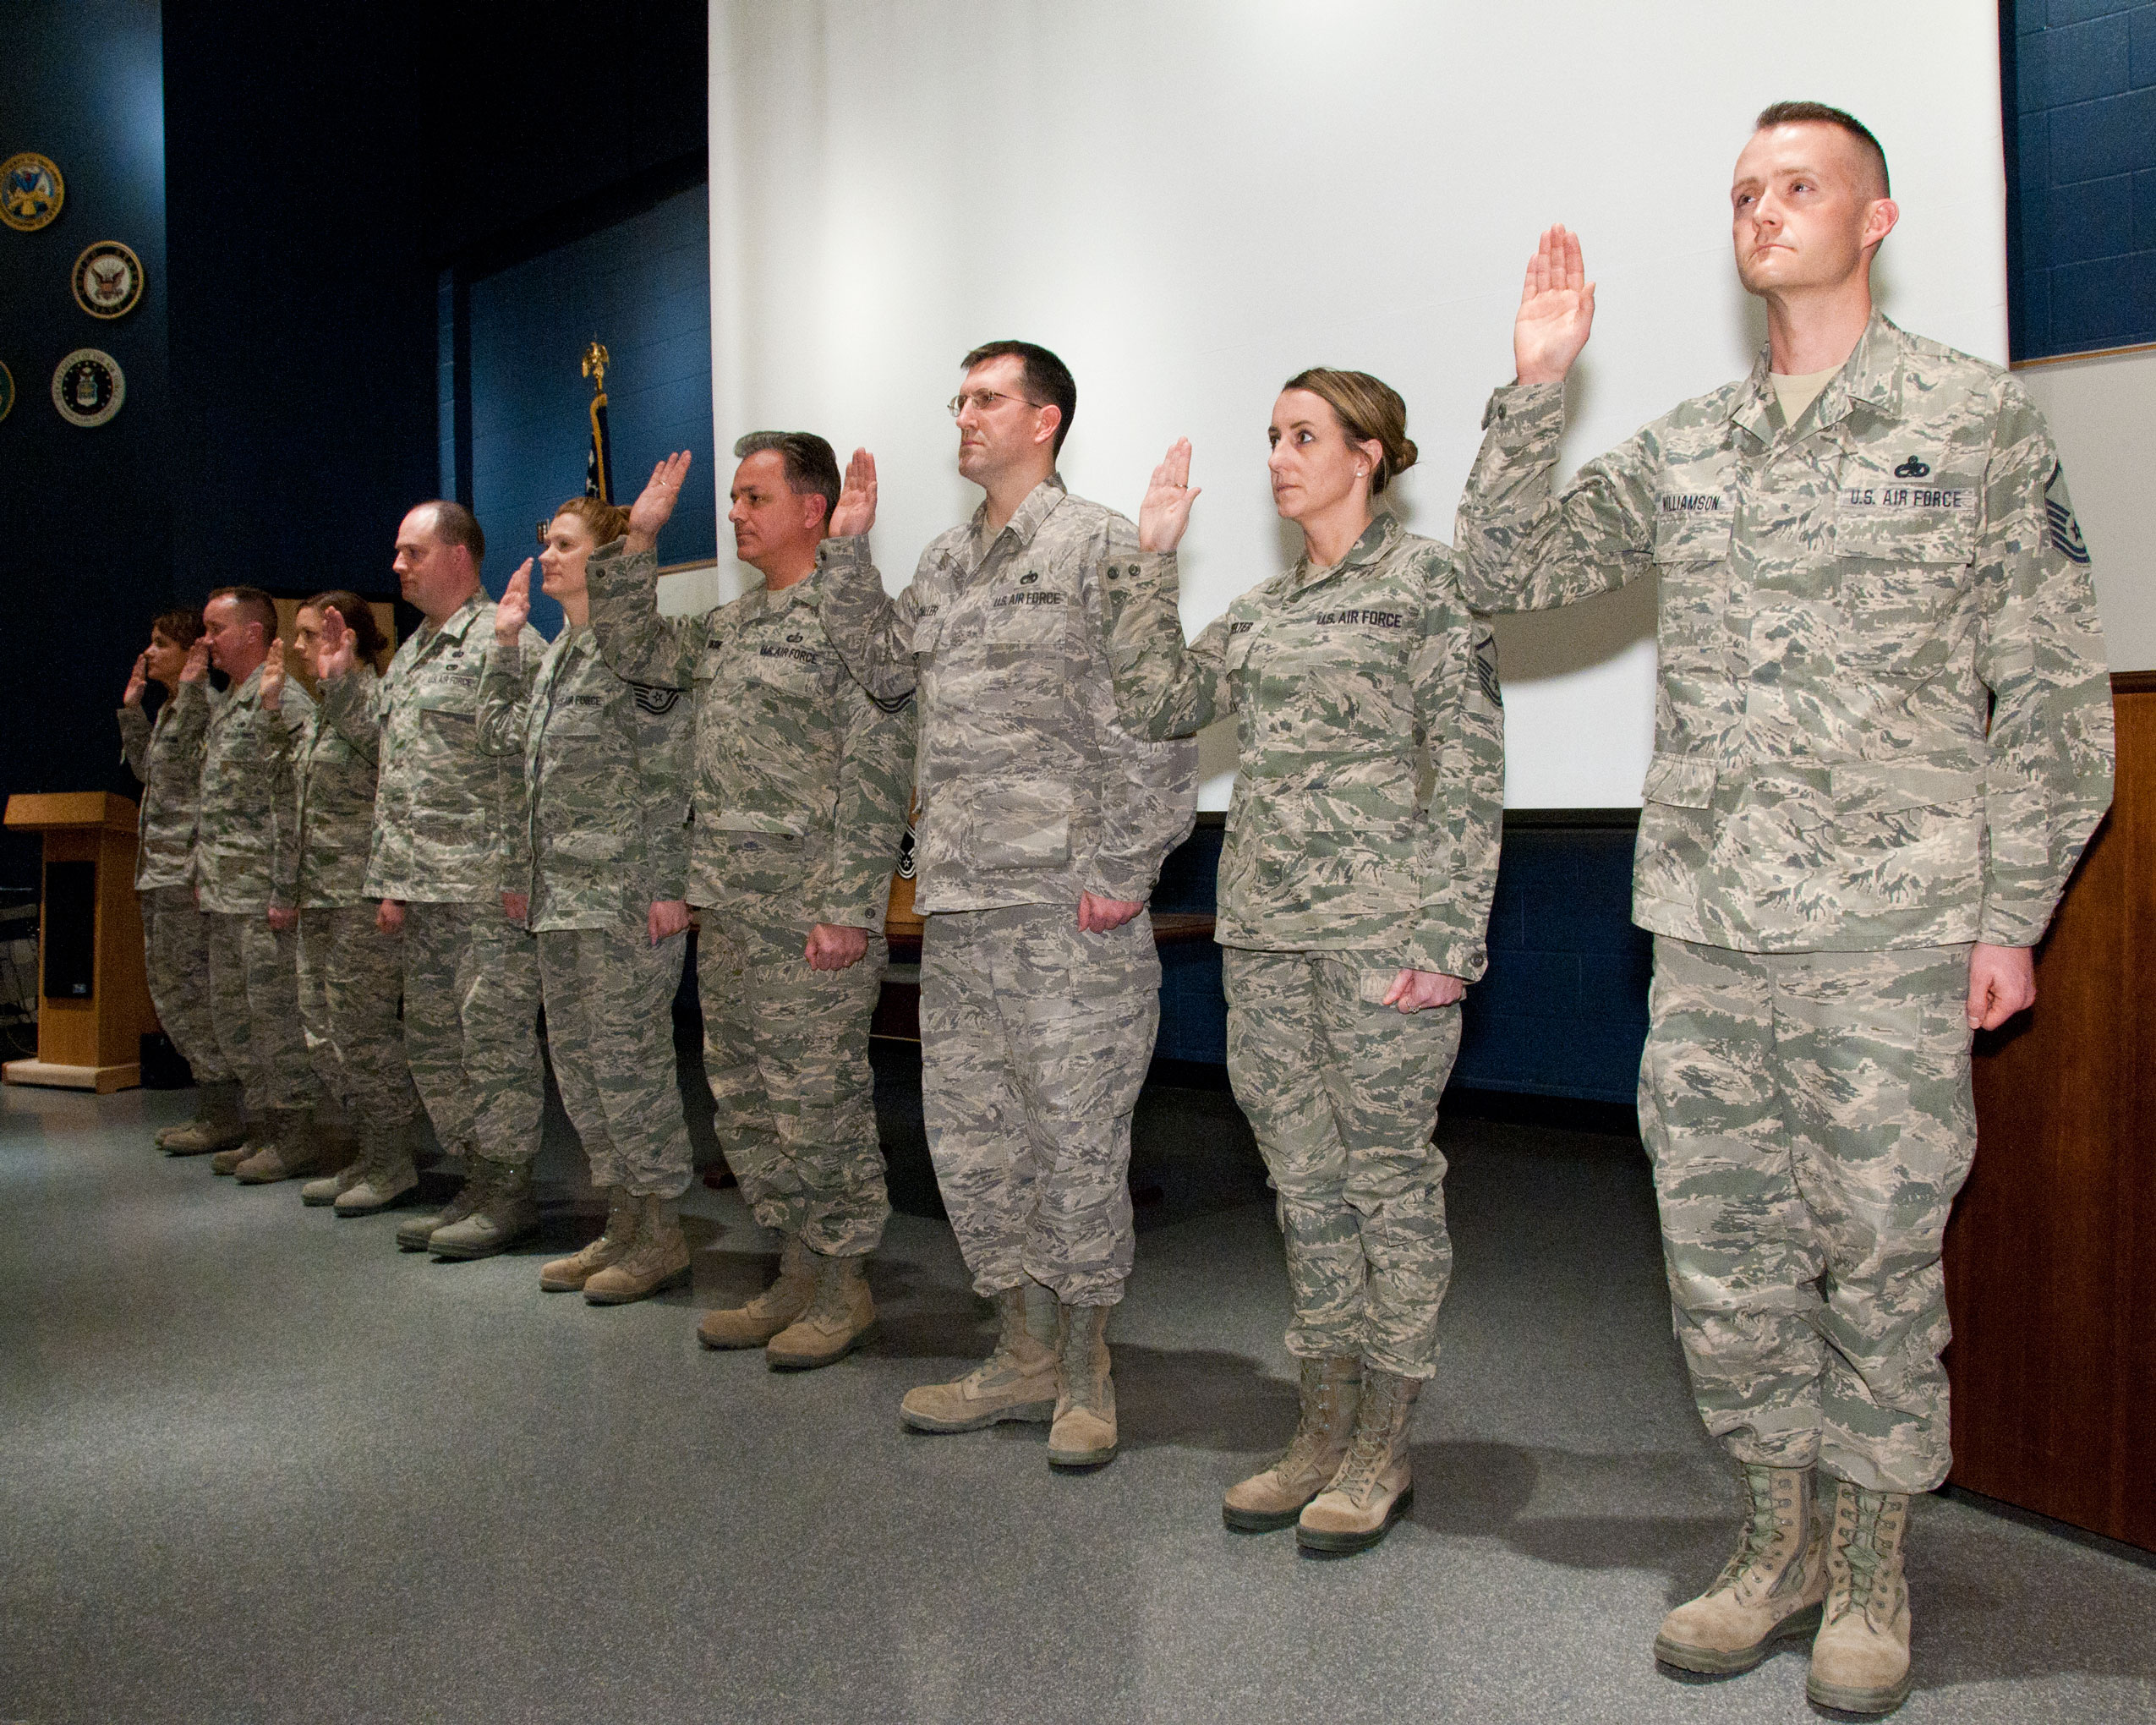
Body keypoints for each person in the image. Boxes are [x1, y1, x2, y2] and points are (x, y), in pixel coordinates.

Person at [1453, 103, 2115, 1714]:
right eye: (1744, 192)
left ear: (1876, 220)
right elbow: (1499, 574)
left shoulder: (1969, 421)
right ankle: (1777, 1543)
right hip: (1709, 931)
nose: (1763, 211)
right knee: (1727, 1261)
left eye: (1797, 186)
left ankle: (1876, 1562)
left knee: (1878, 1262)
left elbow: (2050, 695)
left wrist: (2009, 913)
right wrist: (1533, 392)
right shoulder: (1689, 446)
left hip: (1892, 931)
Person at [1108, 371, 1504, 1551]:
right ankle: (1318, 1424)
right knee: (1301, 1183)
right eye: (1271, 437)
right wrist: (1152, 565)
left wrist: (1446, 939)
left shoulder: (1429, 586)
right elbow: (1159, 701)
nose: (1278, 457)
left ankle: (1384, 1438)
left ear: (1369, 454)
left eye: (1302, 436)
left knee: (1385, 1180)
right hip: (1267, 937)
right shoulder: (1264, 607)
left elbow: (1470, 770)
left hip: (1384, 940)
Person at [816, 342, 1197, 1467]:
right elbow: (887, 672)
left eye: (986, 400)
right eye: (959, 400)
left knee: (1075, 1142)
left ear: (1044, 421)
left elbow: (1155, 719)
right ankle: (1018, 1352)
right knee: (977, 1144)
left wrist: (1125, 871)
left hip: (1065, 912)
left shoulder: (1099, 549)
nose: (964, 417)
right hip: (965, 904)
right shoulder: (944, 558)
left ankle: (1086, 1372)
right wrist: (845, 558)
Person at [586, 437, 913, 1365]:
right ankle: (794, 1273)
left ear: (814, 510)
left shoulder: (852, 622)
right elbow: (633, 648)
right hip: (729, 910)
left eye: (753, 496)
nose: (735, 513)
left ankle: (844, 1286)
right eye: (731, 498)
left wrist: (850, 905)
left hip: (810, 913)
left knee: (818, 1104)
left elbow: (879, 770)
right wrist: (638, 539)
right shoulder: (729, 627)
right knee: (747, 1107)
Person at [474, 497, 698, 1304]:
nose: (549, 557)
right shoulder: (561, 654)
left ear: (608, 559)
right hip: (562, 899)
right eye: (548, 542)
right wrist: (505, 649)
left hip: (624, 900)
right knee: (584, 1073)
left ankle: (662, 1234)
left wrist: (671, 887)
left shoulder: (637, 649)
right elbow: (511, 757)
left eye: (566, 544)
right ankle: (623, 1222)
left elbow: (673, 771)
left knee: (631, 1069)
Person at [316, 501, 548, 1260]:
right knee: (437, 1044)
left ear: (458, 556)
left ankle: (509, 1190)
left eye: (410, 552)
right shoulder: (416, 650)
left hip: (486, 888)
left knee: (493, 1043)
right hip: (424, 888)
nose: (396, 566)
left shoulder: (506, 641)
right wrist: (346, 683)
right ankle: (476, 1182)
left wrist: (521, 870)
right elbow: (384, 752)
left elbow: (537, 766)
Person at [265, 594, 426, 1215]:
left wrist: (394, 888)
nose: (301, 647)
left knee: (363, 1033)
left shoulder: (371, 702)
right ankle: (368, 1148)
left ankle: (393, 1160)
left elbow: (393, 773)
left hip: (363, 896)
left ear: (349, 640)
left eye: (310, 636)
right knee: (322, 1033)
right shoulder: (318, 715)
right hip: (321, 896)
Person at [183, 587, 323, 1184]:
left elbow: (294, 801)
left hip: (264, 895)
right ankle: (264, 1126)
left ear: (251, 634)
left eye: (216, 629)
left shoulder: (283, 701)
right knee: (237, 1019)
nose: (206, 641)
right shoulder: (230, 703)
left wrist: (283, 889)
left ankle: (297, 1135)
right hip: (225, 892)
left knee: (275, 1021)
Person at [120, 609, 244, 1155]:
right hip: (159, 874)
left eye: (160, 643)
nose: (150, 653)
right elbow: (153, 773)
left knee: (194, 995)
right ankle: (213, 1106)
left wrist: (198, 868)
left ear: (191, 651)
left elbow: (208, 791)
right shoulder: (173, 709)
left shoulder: (206, 709)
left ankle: (223, 1112)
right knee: (172, 994)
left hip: (186, 876)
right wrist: (132, 712)